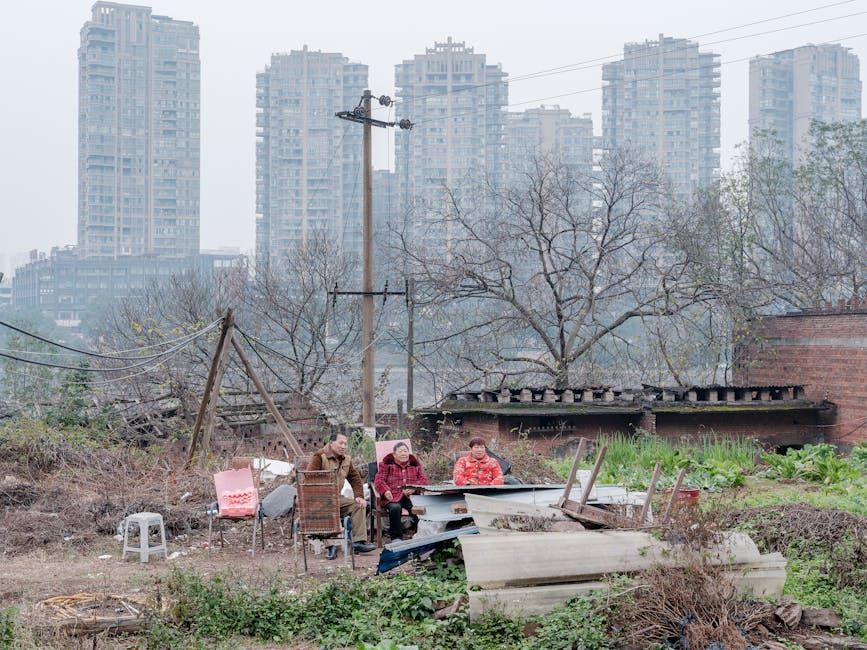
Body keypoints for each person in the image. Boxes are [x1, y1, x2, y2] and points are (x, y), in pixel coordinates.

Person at [307, 432, 376, 559]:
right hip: (319, 499)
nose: (343, 446)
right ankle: (331, 546)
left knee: (358, 505)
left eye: (345, 444)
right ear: (331, 443)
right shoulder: (319, 456)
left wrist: (359, 495)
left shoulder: (346, 459)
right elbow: (309, 479)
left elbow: (355, 478)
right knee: (327, 506)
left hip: (337, 498)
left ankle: (358, 542)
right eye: (340, 443)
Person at [373, 441, 428, 541]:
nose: (403, 454)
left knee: (418, 508)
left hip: (410, 497)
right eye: (400, 451)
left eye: (405, 451)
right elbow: (379, 480)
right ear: (394, 454)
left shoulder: (415, 465)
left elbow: (423, 480)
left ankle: (422, 534)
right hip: (392, 496)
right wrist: (385, 491)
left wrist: (414, 488)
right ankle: (396, 537)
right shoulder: (386, 465)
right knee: (395, 508)